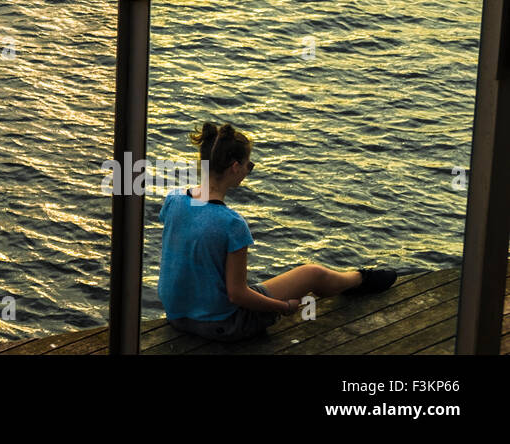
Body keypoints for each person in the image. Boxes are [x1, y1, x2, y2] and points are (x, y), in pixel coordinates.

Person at [157, 122, 398, 342]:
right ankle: (360, 278)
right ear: (235, 167)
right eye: (248, 165)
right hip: (223, 325)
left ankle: (355, 280)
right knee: (312, 273)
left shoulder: (174, 199)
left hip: (177, 316)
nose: (248, 171)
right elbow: (237, 295)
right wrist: (283, 307)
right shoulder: (231, 223)